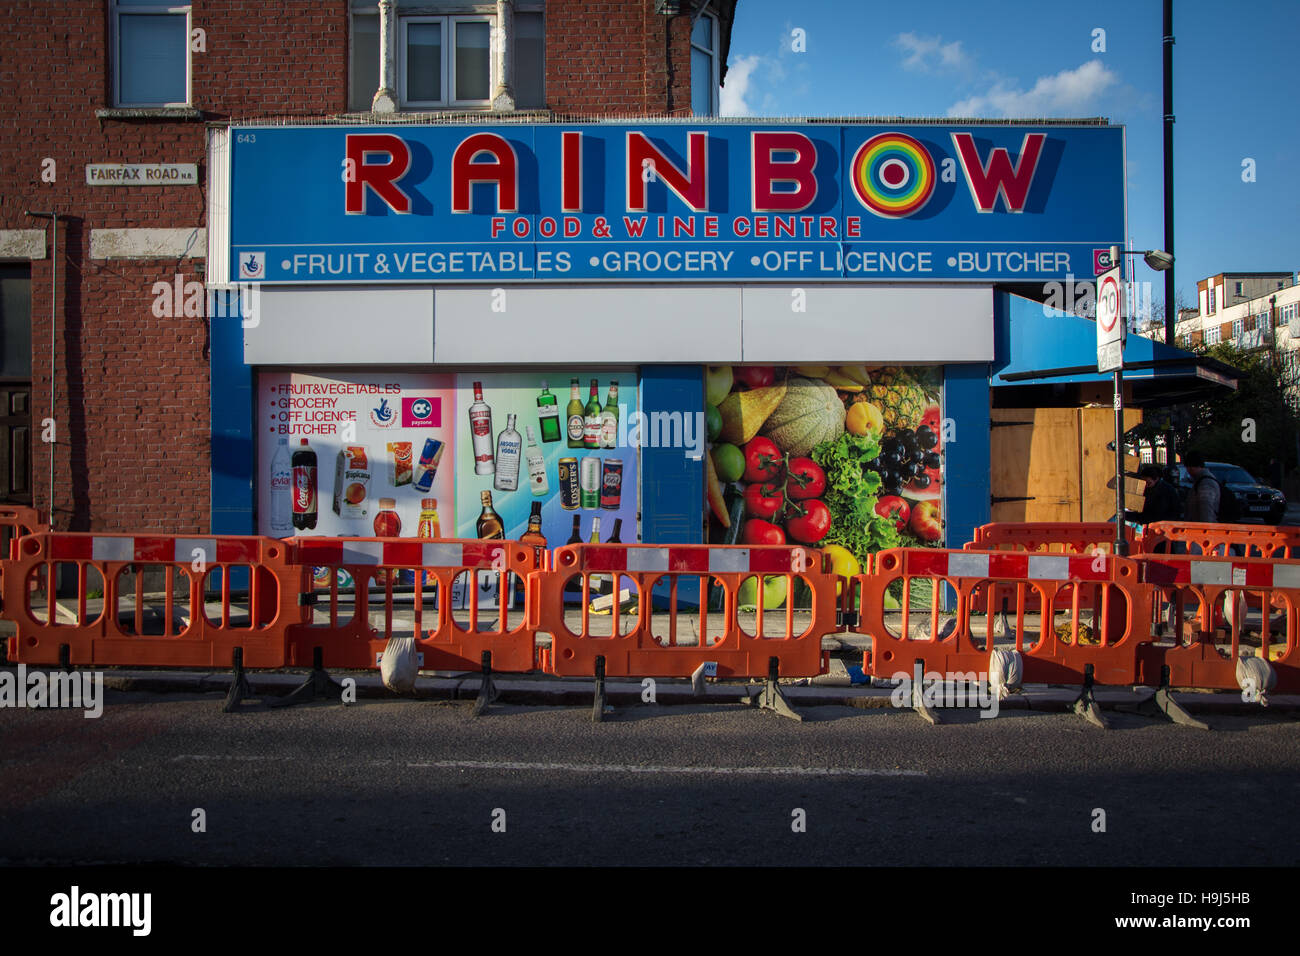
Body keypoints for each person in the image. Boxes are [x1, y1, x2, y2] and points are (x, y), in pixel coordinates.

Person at [1183, 451, 1220, 523]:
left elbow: (1206, 509)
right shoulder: (1203, 481)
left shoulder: (1205, 483)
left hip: (1202, 529)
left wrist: (1205, 529)